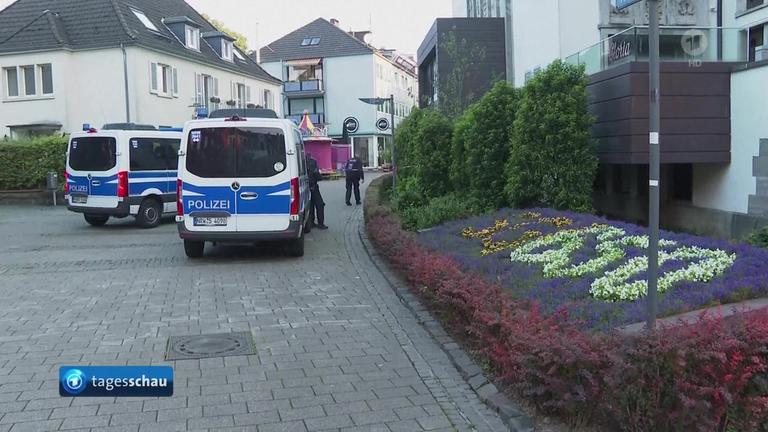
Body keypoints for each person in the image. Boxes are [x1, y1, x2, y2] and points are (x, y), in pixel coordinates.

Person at [306, 153, 328, 230]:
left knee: (311, 205)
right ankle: (320, 224)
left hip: (306, 187)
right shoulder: (312, 162)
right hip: (313, 186)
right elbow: (315, 173)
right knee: (320, 204)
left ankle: (311, 223)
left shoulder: (303, 162)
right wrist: (320, 177)